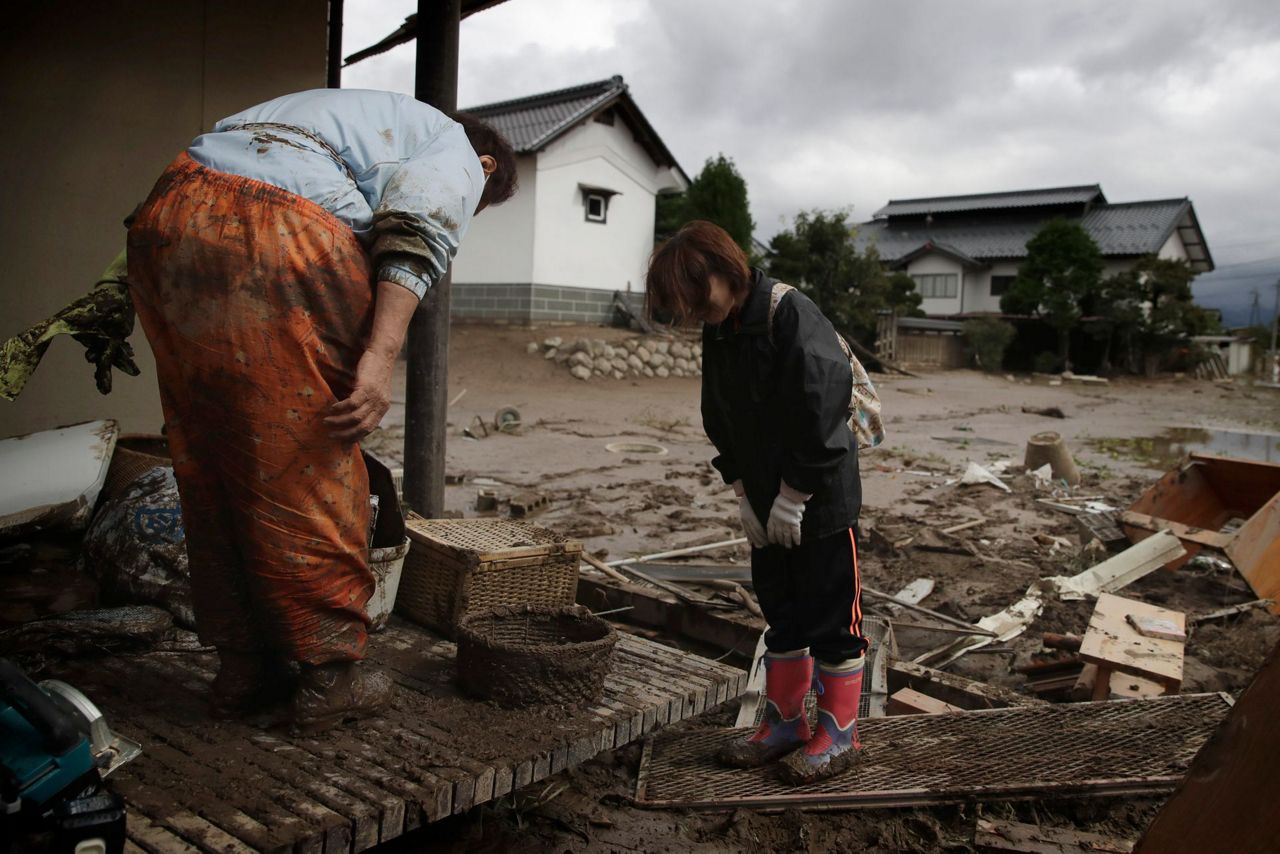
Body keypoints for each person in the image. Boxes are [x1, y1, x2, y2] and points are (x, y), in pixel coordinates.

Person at [126, 88, 518, 733]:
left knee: (209, 456)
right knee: (307, 460)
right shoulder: (452, 145)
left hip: (167, 219)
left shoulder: (315, 113)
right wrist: (377, 358)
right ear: (487, 168)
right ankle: (329, 677)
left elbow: (196, 182)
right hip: (278, 235)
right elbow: (419, 232)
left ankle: (242, 669)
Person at [645, 220, 867, 783]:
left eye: (696, 299)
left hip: (818, 496)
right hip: (766, 499)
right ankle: (786, 721)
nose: (695, 314)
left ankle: (840, 733)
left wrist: (794, 497)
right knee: (782, 611)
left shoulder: (789, 314)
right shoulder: (721, 328)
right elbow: (721, 415)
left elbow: (821, 412)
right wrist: (743, 492)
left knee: (831, 614)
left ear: (722, 271)